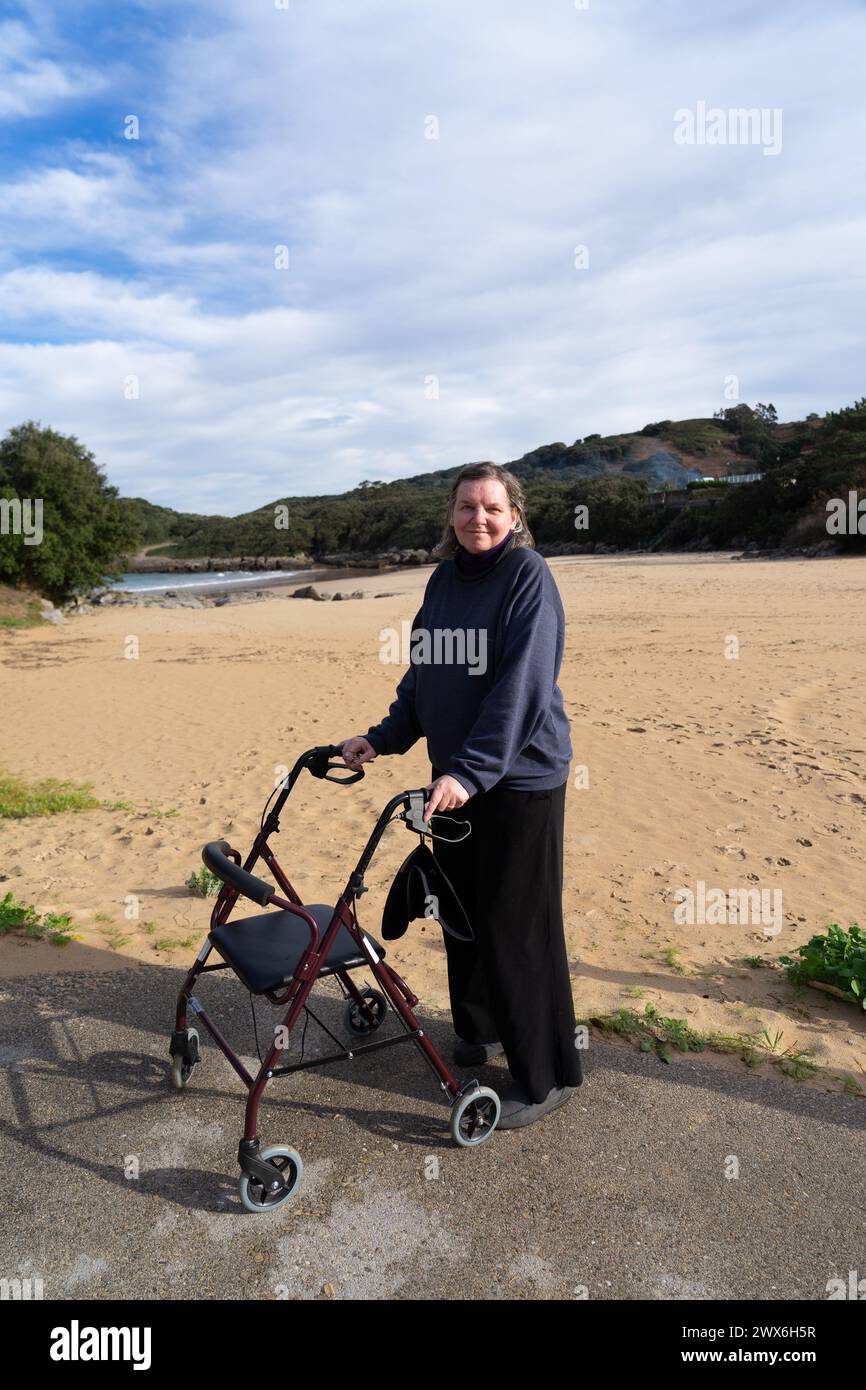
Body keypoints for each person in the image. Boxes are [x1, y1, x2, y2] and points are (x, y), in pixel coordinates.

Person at [337, 462, 583, 1129]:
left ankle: (545, 1076)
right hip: (456, 784)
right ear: (451, 514)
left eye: (492, 508)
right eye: (467, 507)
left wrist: (470, 772)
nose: (479, 518)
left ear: (515, 516)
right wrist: (381, 738)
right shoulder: (444, 581)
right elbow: (425, 675)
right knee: (461, 916)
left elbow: (521, 687)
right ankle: (479, 1029)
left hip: (517, 782)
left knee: (517, 927)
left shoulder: (528, 578)